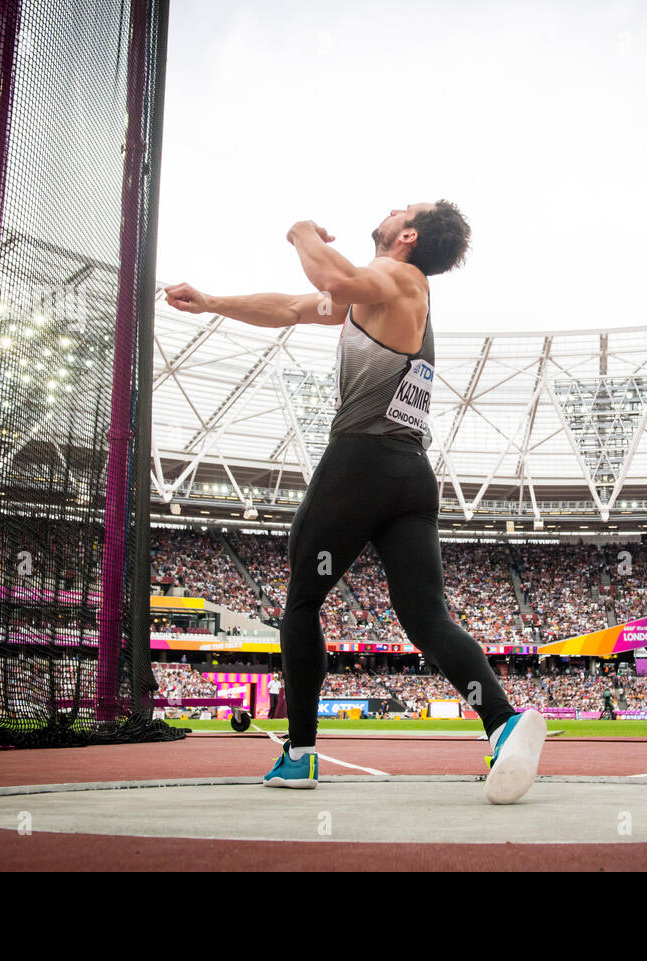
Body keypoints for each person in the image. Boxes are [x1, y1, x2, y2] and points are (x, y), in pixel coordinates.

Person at [166, 202, 544, 804]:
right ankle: (501, 722)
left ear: (408, 236)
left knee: (301, 601)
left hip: (361, 462)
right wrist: (213, 302)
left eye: (403, 210)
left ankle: (301, 753)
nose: (390, 210)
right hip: (411, 476)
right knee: (425, 617)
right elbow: (294, 308)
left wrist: (299, 231)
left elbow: (332, 279)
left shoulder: (400, 277)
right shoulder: (384, 297)